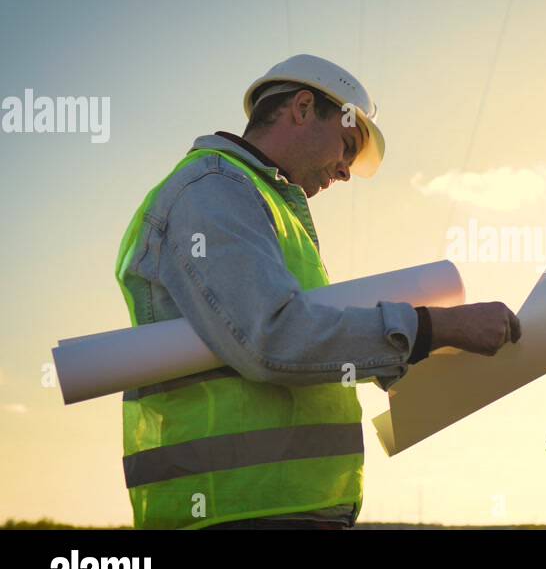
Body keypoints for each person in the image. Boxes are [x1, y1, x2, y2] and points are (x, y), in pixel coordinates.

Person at [114, 55, 520, 530]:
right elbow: (272, 339)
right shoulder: (212, 191)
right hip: (236, 511)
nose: (346, 171)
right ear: (303, 108)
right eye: (346, 146)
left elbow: (302, 345)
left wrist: (419, 359)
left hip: (281, 510)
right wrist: (433, 325)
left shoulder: (260, 205)